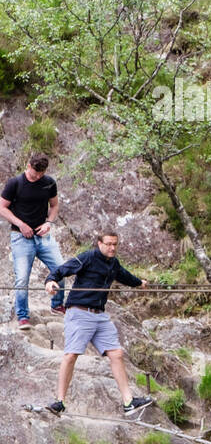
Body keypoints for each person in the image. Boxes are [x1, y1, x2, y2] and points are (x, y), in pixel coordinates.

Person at [42, 231, 152, 415]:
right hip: (79, 312)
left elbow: (124, 276)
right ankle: (59, 402)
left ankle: (129, 402)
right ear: (99, 243)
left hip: (100, 316)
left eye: (115, 244)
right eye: (108, 244)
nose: (112, 248)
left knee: (116, 353)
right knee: (71, 355)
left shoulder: (113, 263)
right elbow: (64, 269)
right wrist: (51, 280)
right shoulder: (88, 257)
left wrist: (139, 283)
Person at [2, 153, 66, 329]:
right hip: (21, 236)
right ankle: (23, 316)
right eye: (34, 173)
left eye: (41, 173)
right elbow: (2, 207)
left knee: (61, 268)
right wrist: (20, 224)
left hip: (42, 235)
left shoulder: (49, 182)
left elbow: (54, 205)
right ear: (28, 166)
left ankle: (57, 305)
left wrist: (49, 222)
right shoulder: (15, 183)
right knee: (22, 278)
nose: (37, 177)